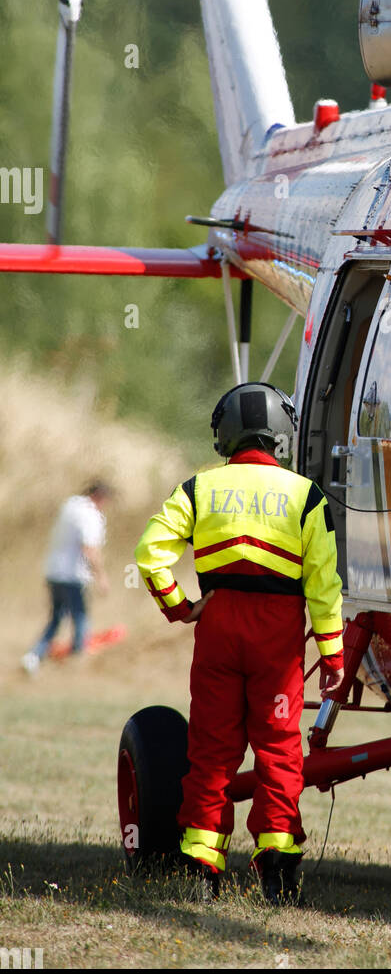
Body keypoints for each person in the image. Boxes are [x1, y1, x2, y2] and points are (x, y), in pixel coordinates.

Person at [134, 382, 344, 905]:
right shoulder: (306, 496)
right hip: (278, 635)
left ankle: (203, 864)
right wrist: (333, 651)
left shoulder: (198, 489)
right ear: (281, 436)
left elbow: (148, 555)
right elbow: (324, 584)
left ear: (223, 434)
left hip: (219, 629)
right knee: (278, 749)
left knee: (211, 751)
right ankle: (276, 867)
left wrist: (180, 608)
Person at [22, 480, 113, 673]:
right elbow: (90, 548)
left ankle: (34, 656)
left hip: (54, 572)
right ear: (99, 497)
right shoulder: (89, 514)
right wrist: (102, 577)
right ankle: (77, 663)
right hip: (72, 575)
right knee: (80, 618)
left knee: (56, 618)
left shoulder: (70, 505)